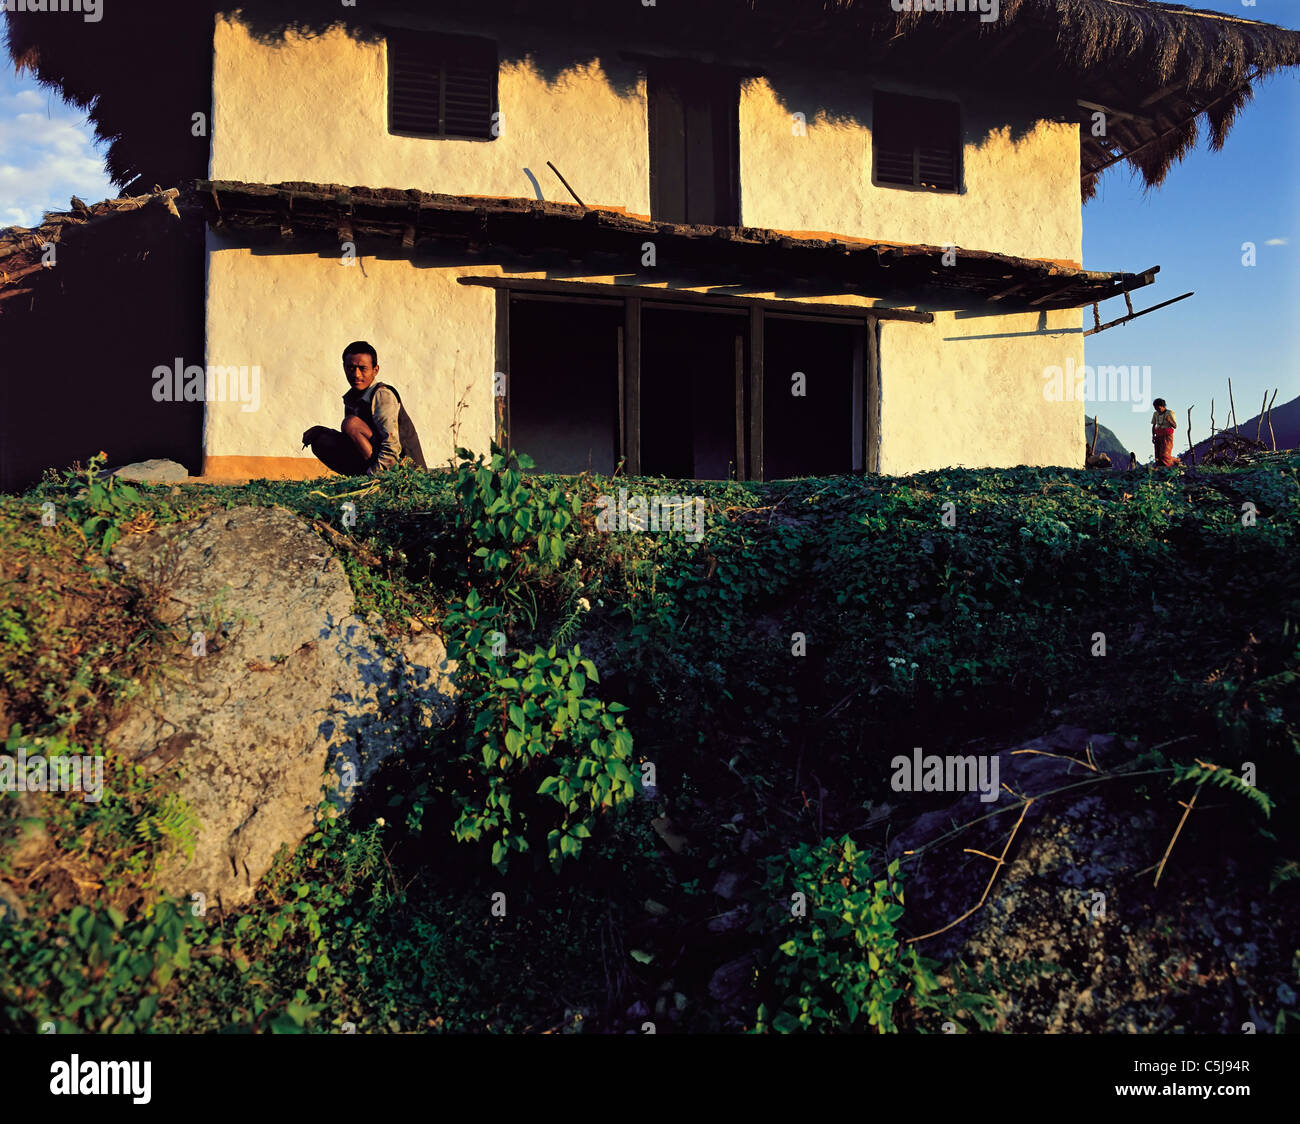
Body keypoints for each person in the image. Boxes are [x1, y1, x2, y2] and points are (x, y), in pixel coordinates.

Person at [302, 341, 426, 476]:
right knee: (320, 439)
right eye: (351, 368)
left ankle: (374, 479)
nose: (356, 374)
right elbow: (352, 442)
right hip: (374, 460)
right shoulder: (352, 397)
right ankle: (357, 476)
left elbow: (392, 447)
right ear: (343, 368)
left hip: (404, 470)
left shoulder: (382, 395)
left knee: (351, 424)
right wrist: (320, 430)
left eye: (362, 368)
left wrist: (372, 477)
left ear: (375, 370)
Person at [1151, 398, 1180, 467]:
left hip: (1167, 435)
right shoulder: (1155, 414)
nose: (1157, 409)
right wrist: (1153, 436)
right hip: (1158, 434)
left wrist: (1169, 420)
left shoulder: (1170, 413)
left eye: (1158, 408)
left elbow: (1175, 426)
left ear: (1163, 406)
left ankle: (1175, 462)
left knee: (1165, 455)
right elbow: (1154, 425)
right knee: (1157, 455)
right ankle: (1160, 469)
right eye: (1155, 408)